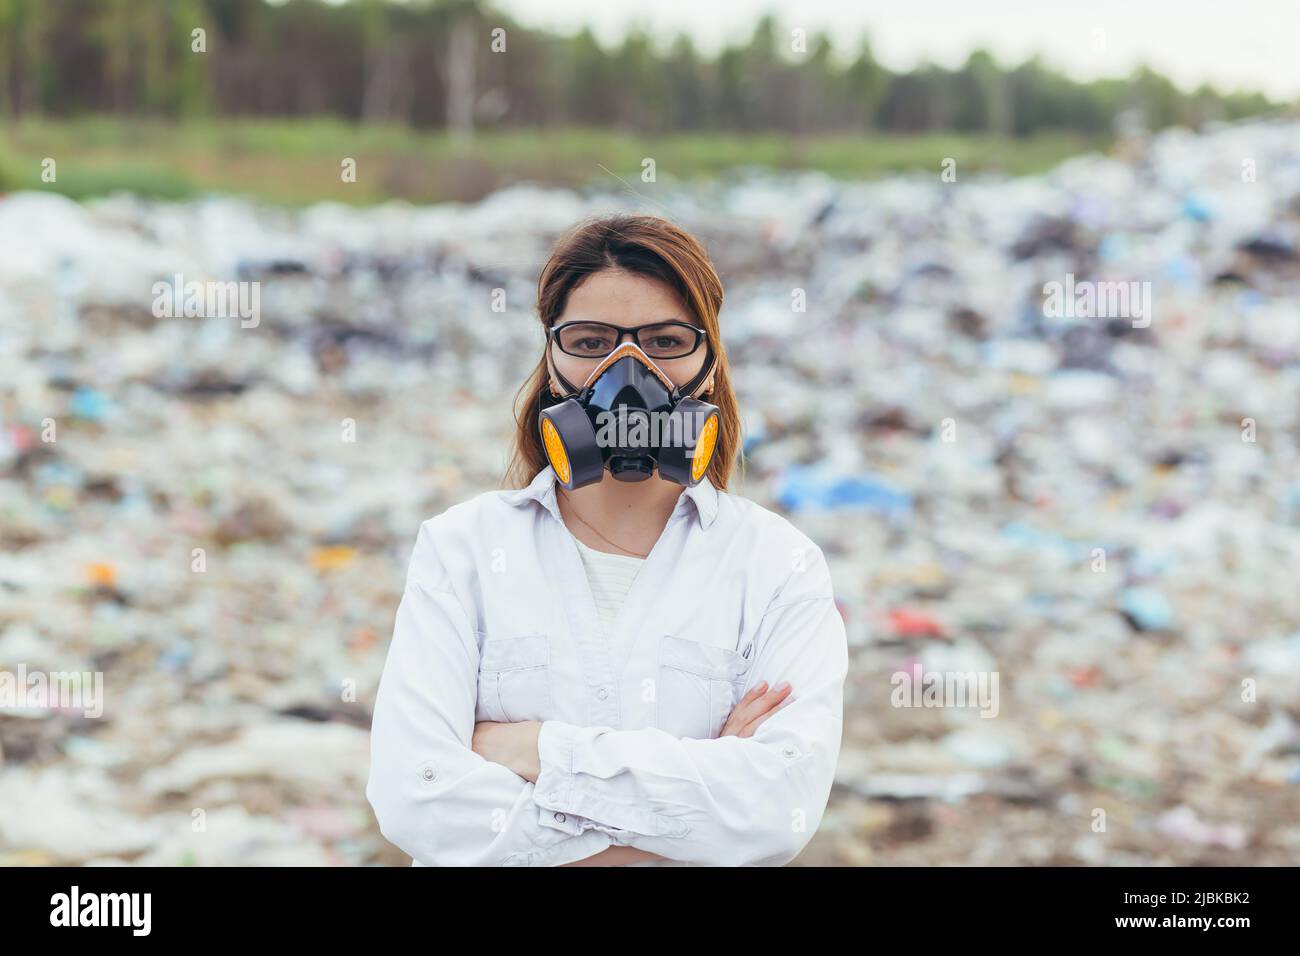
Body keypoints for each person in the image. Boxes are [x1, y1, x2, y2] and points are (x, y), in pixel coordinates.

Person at [365, 214, 848, 866]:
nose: (628, 371)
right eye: (591, 341)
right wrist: (689, 807)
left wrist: (534, 751)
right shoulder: (463, 549)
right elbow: (414, 798)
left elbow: (775, 810)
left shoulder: (776, 566)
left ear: (709, 361)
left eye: (665, 340)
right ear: (551, 358)